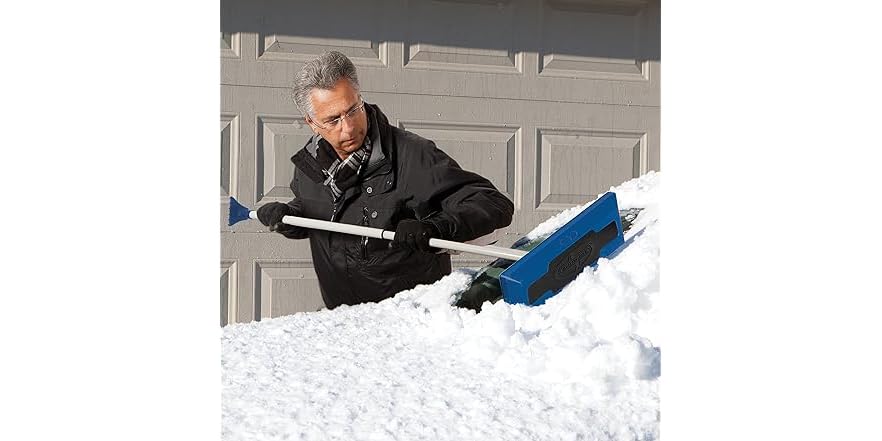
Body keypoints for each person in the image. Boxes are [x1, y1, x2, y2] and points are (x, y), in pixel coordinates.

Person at [256, 51, 514, 309]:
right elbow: (322, 214)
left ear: (360, 97)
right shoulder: (311, 166)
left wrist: (436, 227)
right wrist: (289, 216)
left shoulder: (411, 156)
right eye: (333, 120)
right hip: (343, 318)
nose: (348, 127)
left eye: (352, 110)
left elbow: (492, 204)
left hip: (408, 318)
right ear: (312, 123)